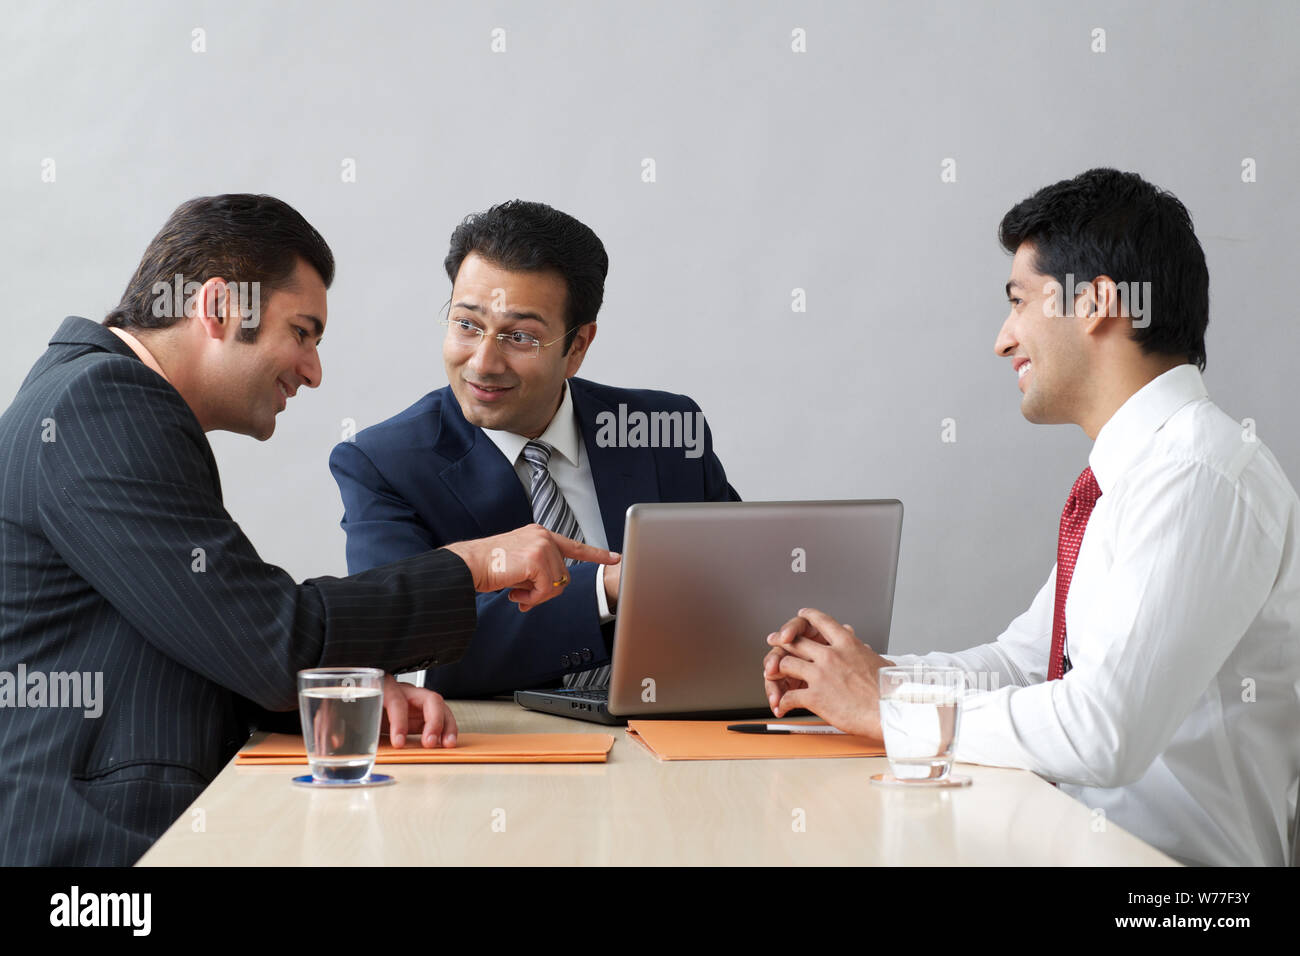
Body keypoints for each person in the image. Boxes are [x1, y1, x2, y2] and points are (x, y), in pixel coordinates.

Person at [0, 194, 616, 866]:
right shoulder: (102, 406)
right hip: (97, 854)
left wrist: (341, 693)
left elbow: (214, 636)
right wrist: (475, 566)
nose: (314, 371)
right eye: (302, 332)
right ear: (218, 308)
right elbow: (271, 638)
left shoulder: (102, 398)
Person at [763, 168, 1300, 867]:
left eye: (1020, 301)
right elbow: (1023, 665)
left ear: (1099, 302)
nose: (1003, 338)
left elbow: (1105, 730)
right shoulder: (1131, 478)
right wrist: (867, 679)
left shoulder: (1200, 476)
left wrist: (887, 712)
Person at [330, 199, 738, 697]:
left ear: (579, 347)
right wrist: (605, 591)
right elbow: (403, 651)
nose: (483, 362)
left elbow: (738, 590)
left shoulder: (663, 429)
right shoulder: (382, 463)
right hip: (500, 750)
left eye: (520, 336)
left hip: (675, 730)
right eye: (466, 324)